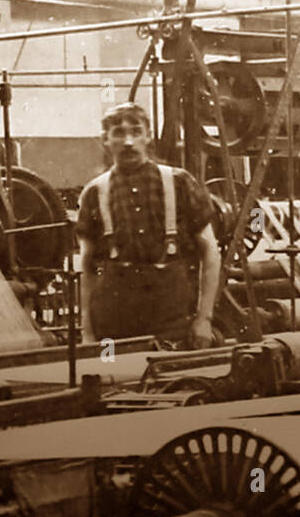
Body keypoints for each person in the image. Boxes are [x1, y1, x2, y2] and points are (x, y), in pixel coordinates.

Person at [76, 103, 221, 349]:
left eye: (136, 131)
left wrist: (204, 319)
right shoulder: (94, 192)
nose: (129, 141)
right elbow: (87, 267)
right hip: (114, 324)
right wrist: (87, 332)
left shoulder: (179, 182)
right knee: (114, 379)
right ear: (105, 140)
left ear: (148, 136)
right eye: (119, 133)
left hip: (173, 322)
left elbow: (211, 254)